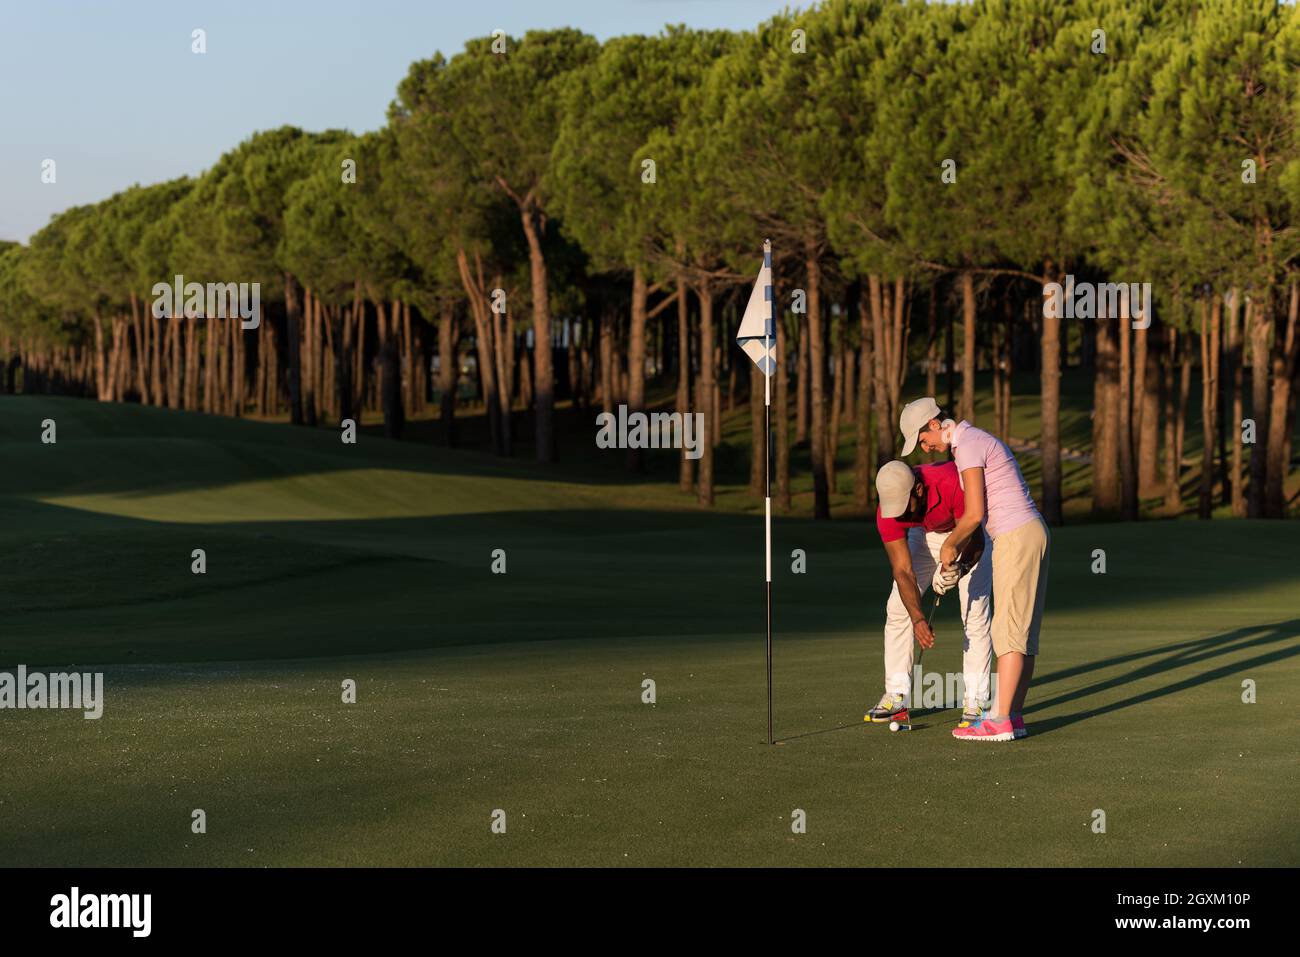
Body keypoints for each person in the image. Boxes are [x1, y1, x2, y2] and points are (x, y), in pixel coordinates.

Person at [897, 396, 1049, 742]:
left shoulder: (967, 445)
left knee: (1008, 631)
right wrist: (962, 557)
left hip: (1015, 535)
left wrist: (950, 545)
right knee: (1023, 633)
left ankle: (999, 720)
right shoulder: (972, 441)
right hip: (1030, 532)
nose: (926, 447)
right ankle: (1013, 714)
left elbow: (975, 513)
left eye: (923, 440)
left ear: (935, 424)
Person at [865, 458, 992, 731]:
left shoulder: (950, 482)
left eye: (903, 507)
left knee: (974, 614)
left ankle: (976, 701)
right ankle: (896, 695)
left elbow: (977, 539)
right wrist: (918, 619)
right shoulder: (889, 511)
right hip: (924, 536)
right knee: (898, 608)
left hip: (967, 532)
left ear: (918, 490)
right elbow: (902, 570)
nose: (898, 516)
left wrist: (961, 567)